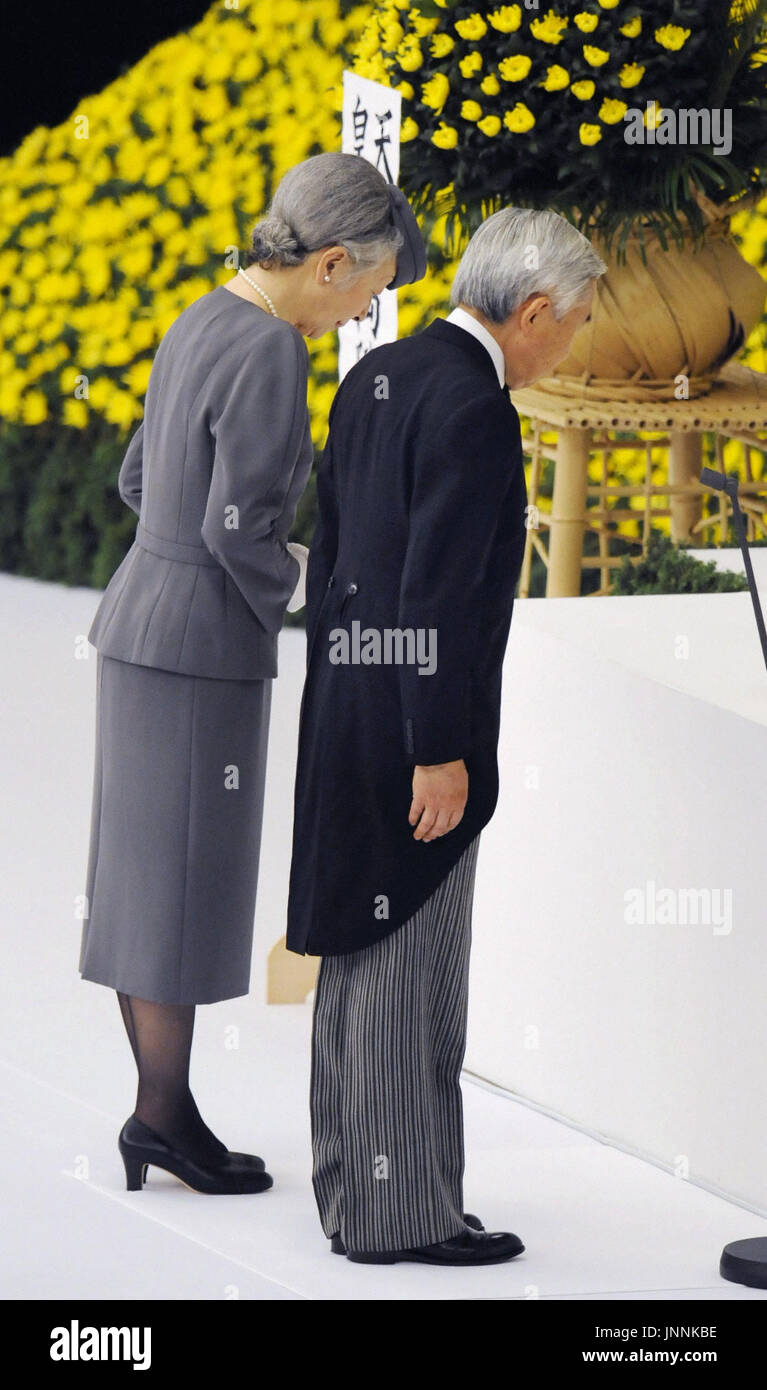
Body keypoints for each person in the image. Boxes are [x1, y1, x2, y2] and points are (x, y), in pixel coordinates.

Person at [79, 151, 428, 1195]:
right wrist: (314, 575)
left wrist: (193, 550)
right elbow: (242, 532)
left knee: (143, 882)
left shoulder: (200, 314)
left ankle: (163, 1111)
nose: (363, 310)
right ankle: (160, 1116)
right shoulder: (272, 350)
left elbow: (143, 476)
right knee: (182, 885)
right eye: (370, 287)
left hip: (139, 617)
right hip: (200, 647)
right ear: (329, 262)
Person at [286, 206, 607, 1262]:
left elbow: (332, 565)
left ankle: (355, 1186)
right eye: (571, 326)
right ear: (531, 311)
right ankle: (397, 1215)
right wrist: (436, 746)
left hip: (345, 705)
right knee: (404, 967)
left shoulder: (376, 378)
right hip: (411, 730)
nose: (571, 347)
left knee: (353, 955)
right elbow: (437, 590)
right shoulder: (471, 406)